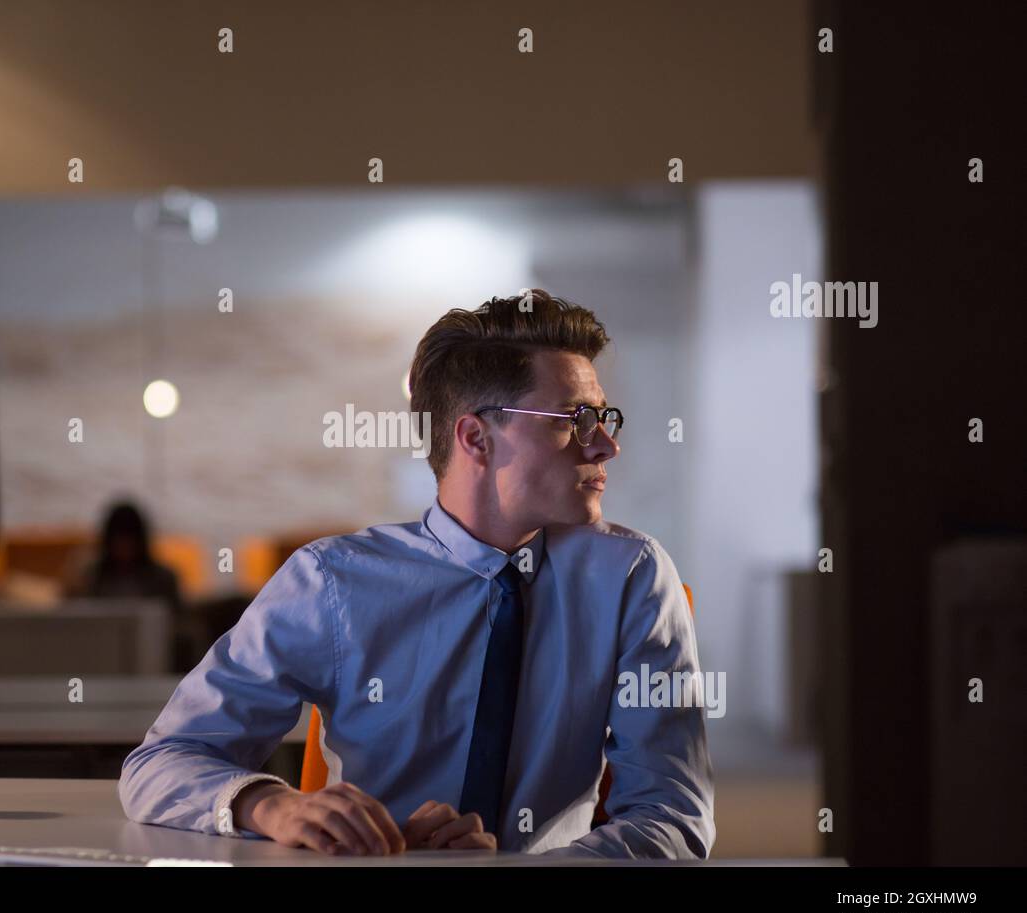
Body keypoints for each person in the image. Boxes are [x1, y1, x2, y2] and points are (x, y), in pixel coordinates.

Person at [119, 290, 714, 858]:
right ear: (476, 437)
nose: (605, 444)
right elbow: (163, 760)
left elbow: (673, 815)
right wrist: (272, 806)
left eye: (604, 416)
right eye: (574, 418)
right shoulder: (332, 583)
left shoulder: (630, 578)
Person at [70, 501, 183, 617]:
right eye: (119, 539)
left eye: (129, 540)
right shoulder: (92, 576)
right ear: (109, 541)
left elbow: (178, 621)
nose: (124, 546)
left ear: (140, 541)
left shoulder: (163, 579)